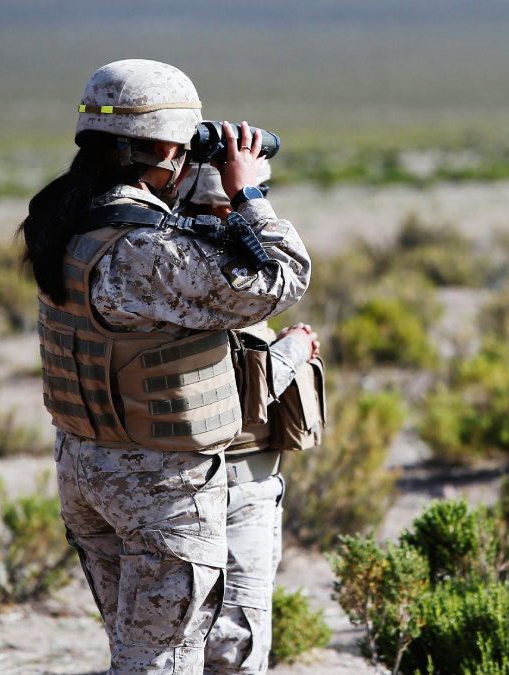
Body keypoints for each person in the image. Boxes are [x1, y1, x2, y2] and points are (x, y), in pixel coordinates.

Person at [18, 59, 311, 675]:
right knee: (163, 659)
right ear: (165, 147)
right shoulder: (146, 251)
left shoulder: (67, 218)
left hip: (90, 468)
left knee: (136, 645)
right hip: (160, 487)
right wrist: (249, 192)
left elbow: (174, 258)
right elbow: (280, 279)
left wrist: (200, 184)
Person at [177, 162, 320, 675]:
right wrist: (294, 351)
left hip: (183, 483)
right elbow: (236, 400)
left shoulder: (163, 266)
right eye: (226, 207)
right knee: (233, 647)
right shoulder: (213, 281)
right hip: (234, 483)